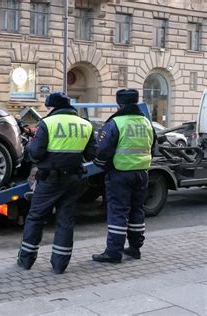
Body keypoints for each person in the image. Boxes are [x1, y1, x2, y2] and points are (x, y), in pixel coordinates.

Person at [17, 92, 97, 274]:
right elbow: (92, 155)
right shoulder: (85, 124)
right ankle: (60, 265)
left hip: (49, 180)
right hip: (74, 179)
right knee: (65, 220)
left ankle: (26, 260)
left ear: (52, 107)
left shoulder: (48, 123)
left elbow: (35, 153)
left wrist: (30, 144)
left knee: (36, 218)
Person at [92, 88, 155, 263]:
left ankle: (113, 252)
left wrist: (100, 164)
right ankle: (135, 248)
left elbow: (103, 150)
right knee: (137, 209)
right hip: (142, 172)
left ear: (119, 104)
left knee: (118, 212)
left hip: (120, 173)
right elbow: (153, 145)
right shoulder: (146, 122)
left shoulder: (116, 123)